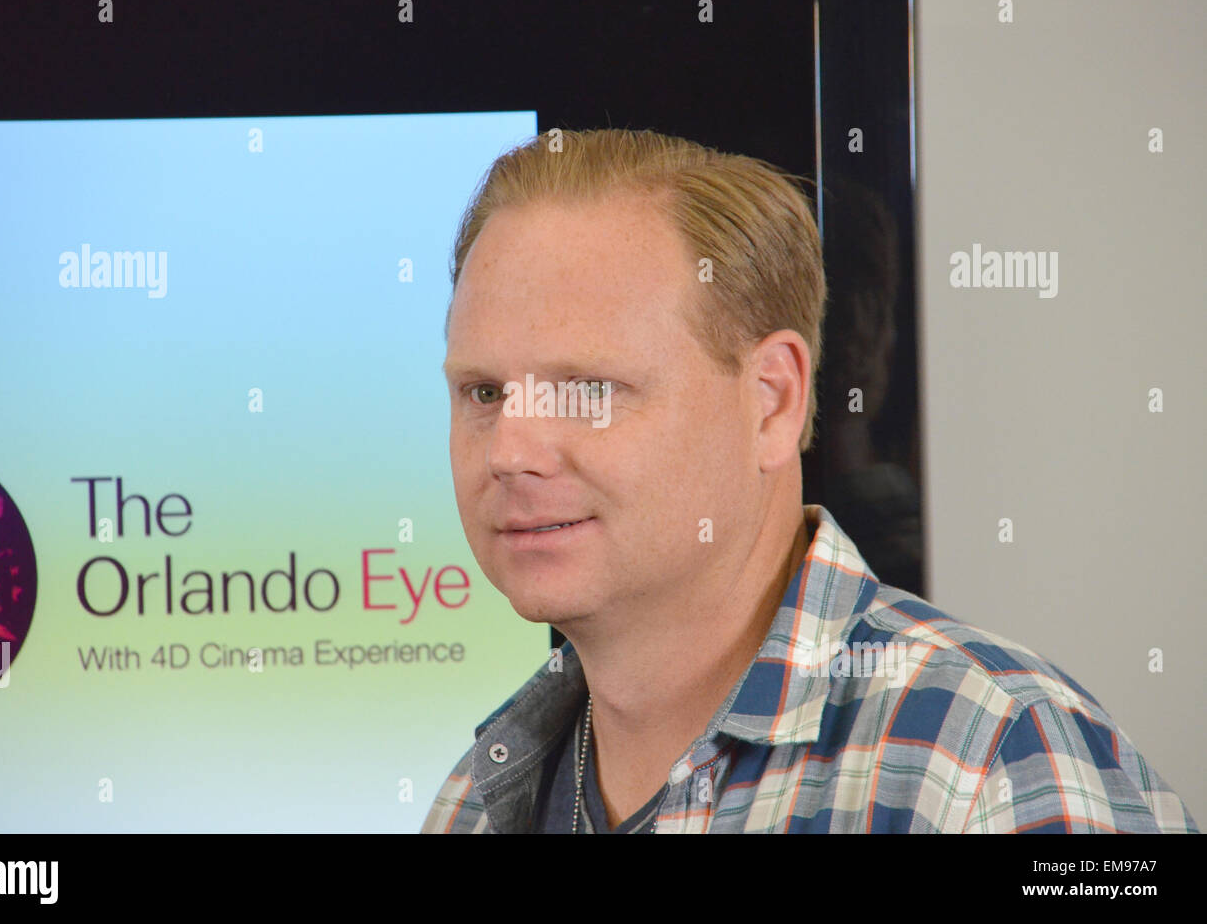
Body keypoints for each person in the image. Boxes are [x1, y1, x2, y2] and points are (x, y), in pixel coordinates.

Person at [422, 128, 1197, 833]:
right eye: (484, 392)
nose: (509, 451)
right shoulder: (474, 800)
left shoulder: (992, 760)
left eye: (584, 390)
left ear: (772, 399)